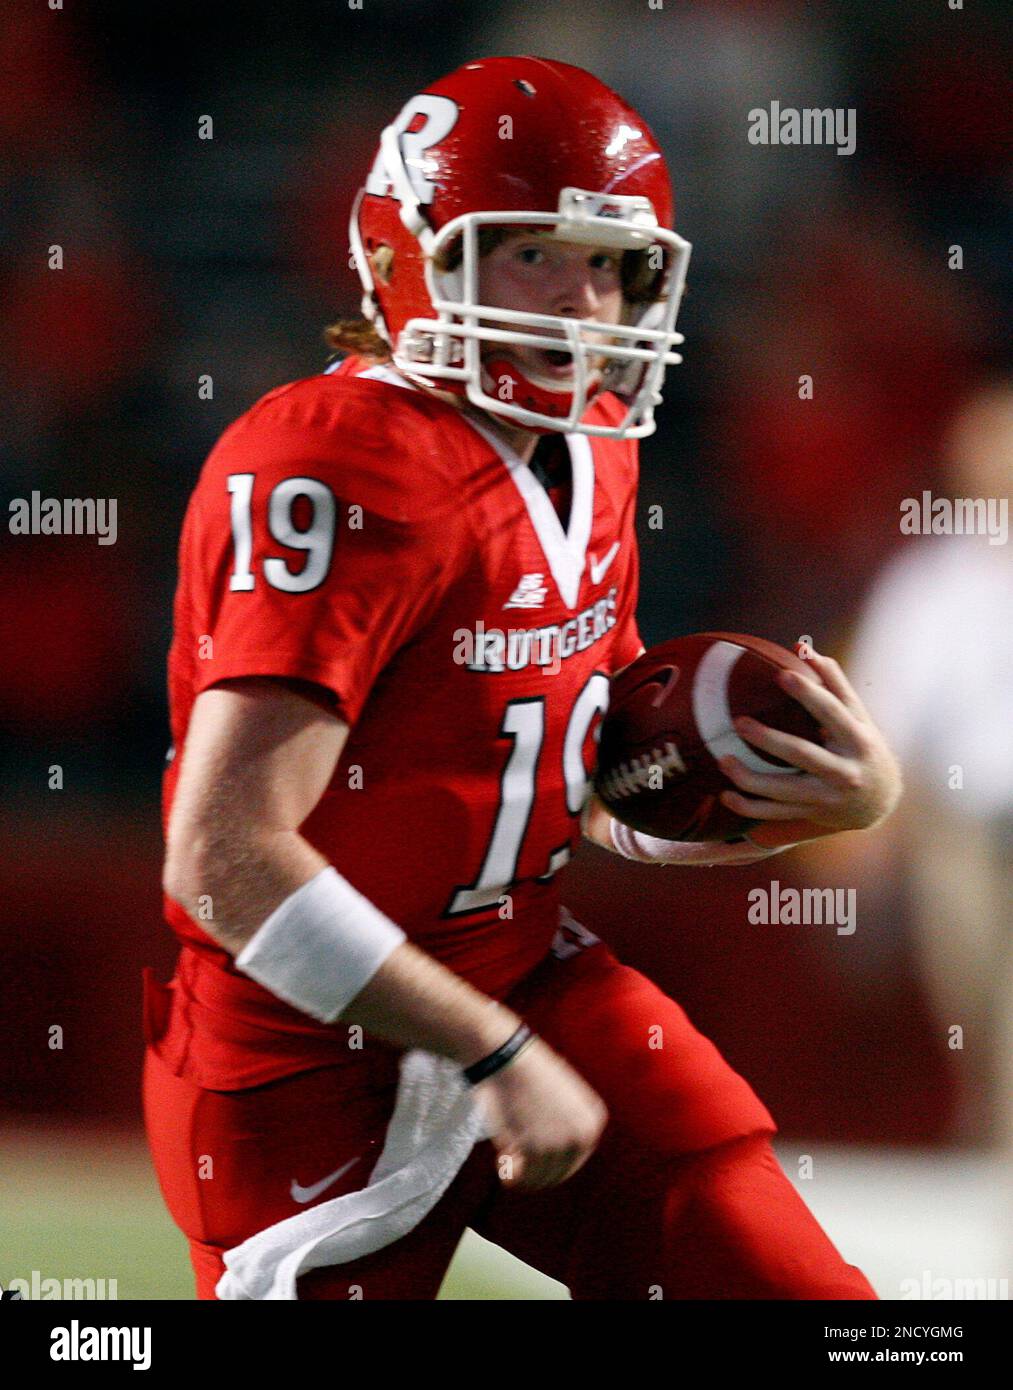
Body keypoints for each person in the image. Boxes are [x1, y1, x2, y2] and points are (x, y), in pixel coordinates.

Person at [143, 55, 901, 1300]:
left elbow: (575, 791)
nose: (584, 303)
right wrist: (491, 1052)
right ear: (415, 253)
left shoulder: (590, 452)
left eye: (608, 264)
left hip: (525, 975)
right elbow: (221, 856)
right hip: (305, 1052)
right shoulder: (333, 460)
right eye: (534, 255)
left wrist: (799, 805)